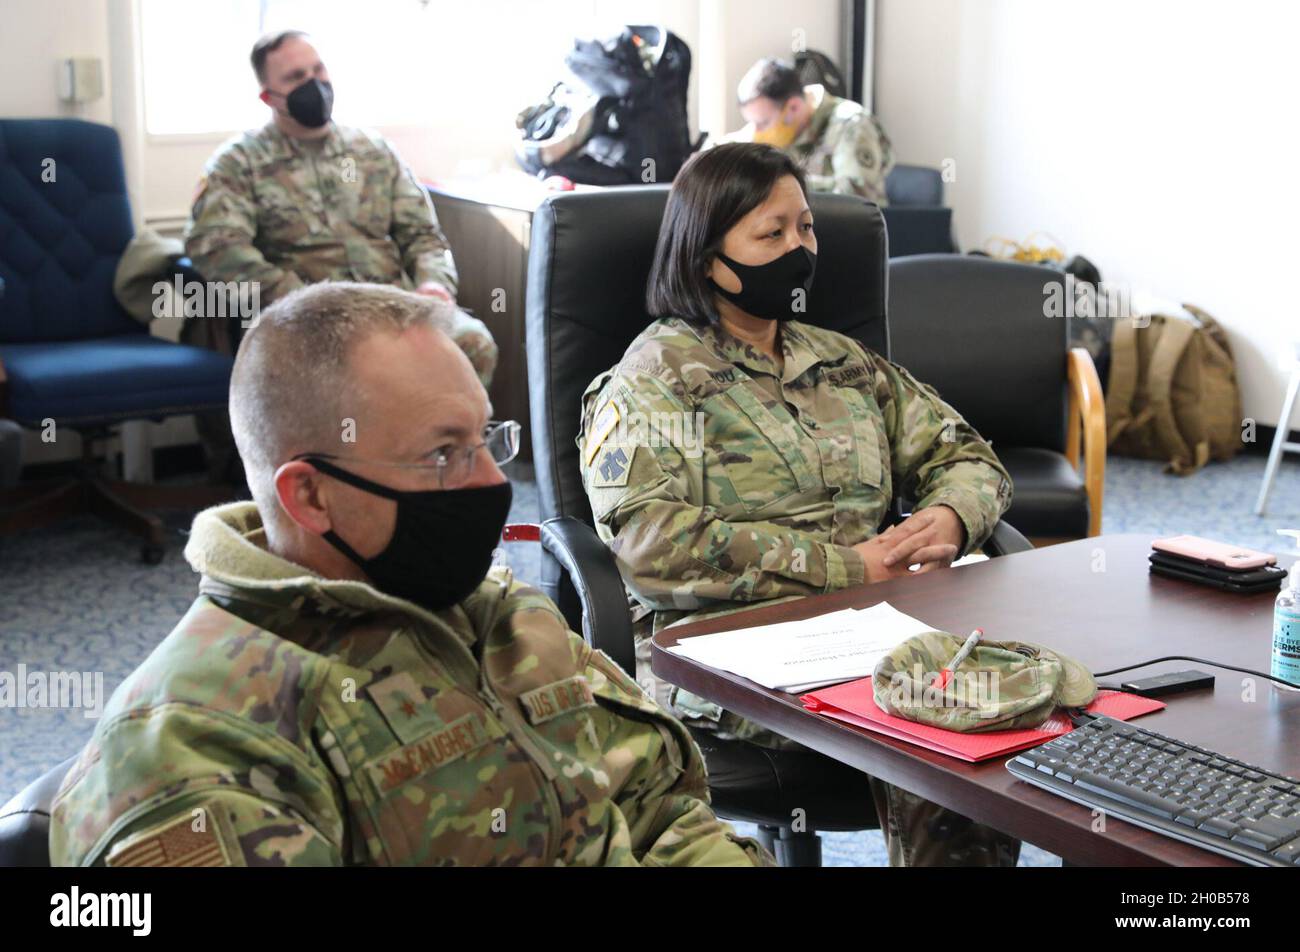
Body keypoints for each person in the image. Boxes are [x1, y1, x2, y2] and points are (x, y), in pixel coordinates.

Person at [48, 282, 767, 867]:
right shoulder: (194, 747)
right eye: (444, 454)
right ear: (311, 496)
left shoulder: (499, 616)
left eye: (486, 438)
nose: (493, 481)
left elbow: (657, 812)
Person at [578, 142, 1018, 866]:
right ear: (705, 255)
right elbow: (653, 546)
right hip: (723, 645)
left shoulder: (841, 360)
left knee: (1010, 699)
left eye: (806, 228)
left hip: (876, 622)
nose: (799, 249)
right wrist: (850, 568)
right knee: (941, 720)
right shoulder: (656, 377)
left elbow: (967, 455)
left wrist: (950, 516)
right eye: (771, 233)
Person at [183, 30, 497, 481]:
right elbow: (216, 248)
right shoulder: (239, 162)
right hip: (307, 317)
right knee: (360, 378)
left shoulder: (372, 150)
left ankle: (443, 470)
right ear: (269, 95)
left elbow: (424, 234)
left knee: (473, 341)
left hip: (396, 306)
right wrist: (296, 299)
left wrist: (433, 284)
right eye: (296, 77)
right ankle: (370, 483)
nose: (314, 83)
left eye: (318, 70)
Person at [712, 57, 894, 205]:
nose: (756, 131)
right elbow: (718, 156)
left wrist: (777, 184)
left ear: (794, 107)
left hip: (849, 233)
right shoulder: (776, 125)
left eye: (763, 122)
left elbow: (856, 197)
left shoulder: (851, 124)